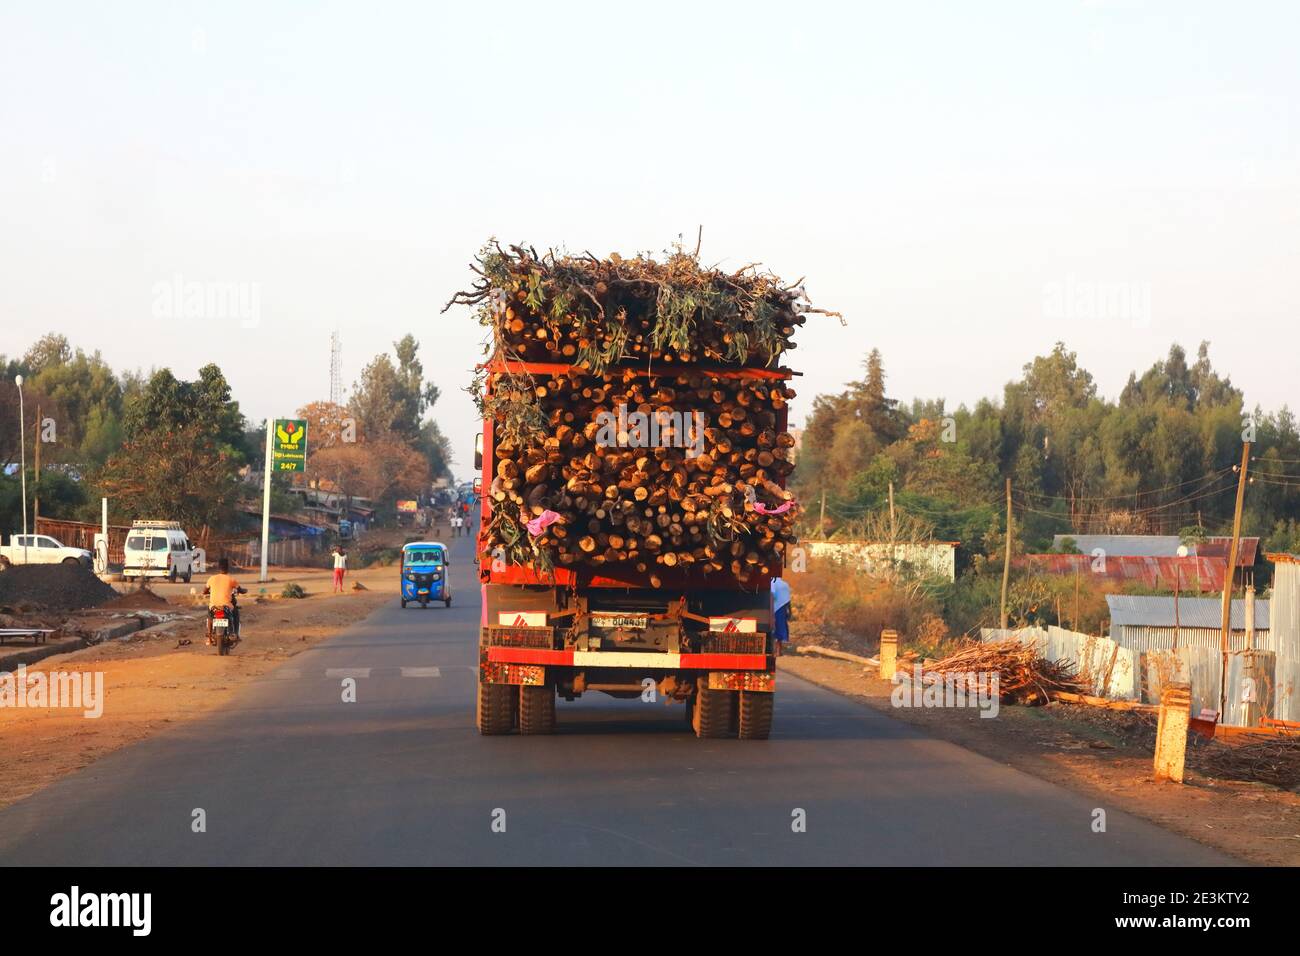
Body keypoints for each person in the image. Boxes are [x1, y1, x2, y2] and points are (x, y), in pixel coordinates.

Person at [204, 558, 246, 645]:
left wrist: (207, 592)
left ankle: (209, 635)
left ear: (218, 568)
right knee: (236, 614)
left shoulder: (211, 578)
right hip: (227, 606)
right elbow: (240, 590)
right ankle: (235, 634)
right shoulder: (231, 579)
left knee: (210, 615)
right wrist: (243, 591)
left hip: (214, 606)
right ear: (227, 568)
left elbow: (204, 590)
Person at [771, 576, 792, 656]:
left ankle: (774, 651)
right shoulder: (785, 584)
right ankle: (778, 651)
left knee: (772, 628)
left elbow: (772, 596)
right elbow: (788, 600)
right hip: (782, 609)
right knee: (780, 628)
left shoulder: (771, 583)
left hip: (771, 608)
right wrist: (790, 611)